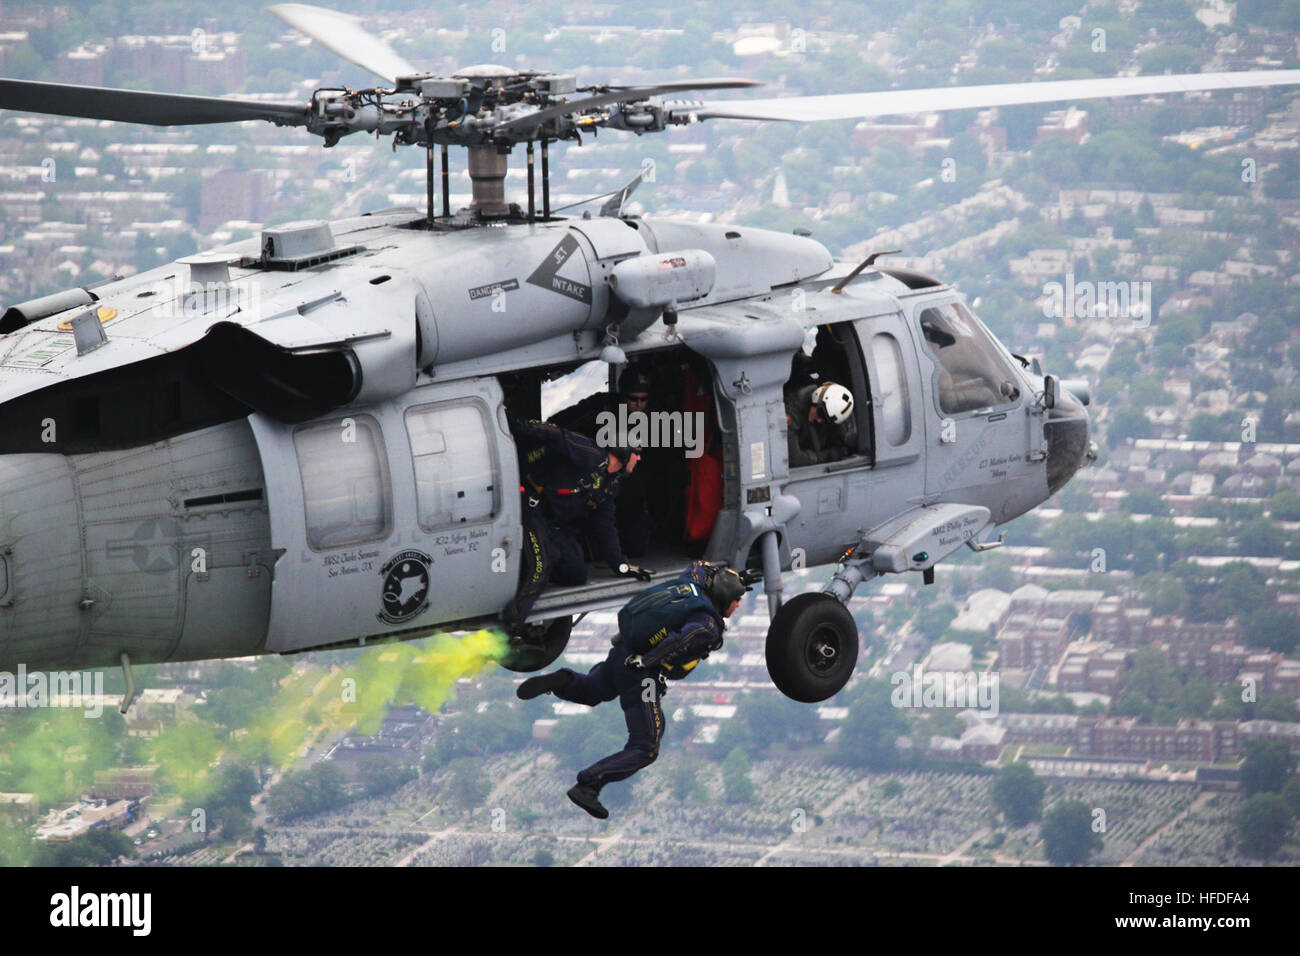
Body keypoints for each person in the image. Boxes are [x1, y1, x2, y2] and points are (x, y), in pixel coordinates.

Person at [517, 560, 752, 819]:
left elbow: (701, 565)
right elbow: (682, 640)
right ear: (725, 596)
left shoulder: (691, 584)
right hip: (643, 677)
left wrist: (733, 575)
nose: (738, 605)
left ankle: (562, 681)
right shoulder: (707, 625)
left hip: (622, 653)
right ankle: (588, 785)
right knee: (646, 746)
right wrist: (648, 661)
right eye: (737, 599)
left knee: (593, 690)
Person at [502, 418, 652, 638]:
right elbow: (557, 434)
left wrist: (621, 565)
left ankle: (525, 567)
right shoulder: (589, 454)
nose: (639, 458)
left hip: (554, 524)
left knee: (576, 572)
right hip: (531, 508)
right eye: (637, 453)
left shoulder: (609, 486)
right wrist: (519, 425)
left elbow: (605, 527)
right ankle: (512, 627)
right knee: (542, 565)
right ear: (624, 450)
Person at [550, 367, 656, 556]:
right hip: (597, 483)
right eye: (633, 399)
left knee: (636, 547)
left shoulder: (652, 417)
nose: (639, 404)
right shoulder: (600, 408)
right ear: (623, 395)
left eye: (643, 399)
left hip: (630, 489)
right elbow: (558, 425)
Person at [785, 380, 855, 467]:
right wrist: (823, 456)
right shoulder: (792, 410)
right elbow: (794, 458)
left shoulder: (828, 414)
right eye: (820, 414)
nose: (819, 420)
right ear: (815, 400)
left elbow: (841, 446)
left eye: (825, 420)